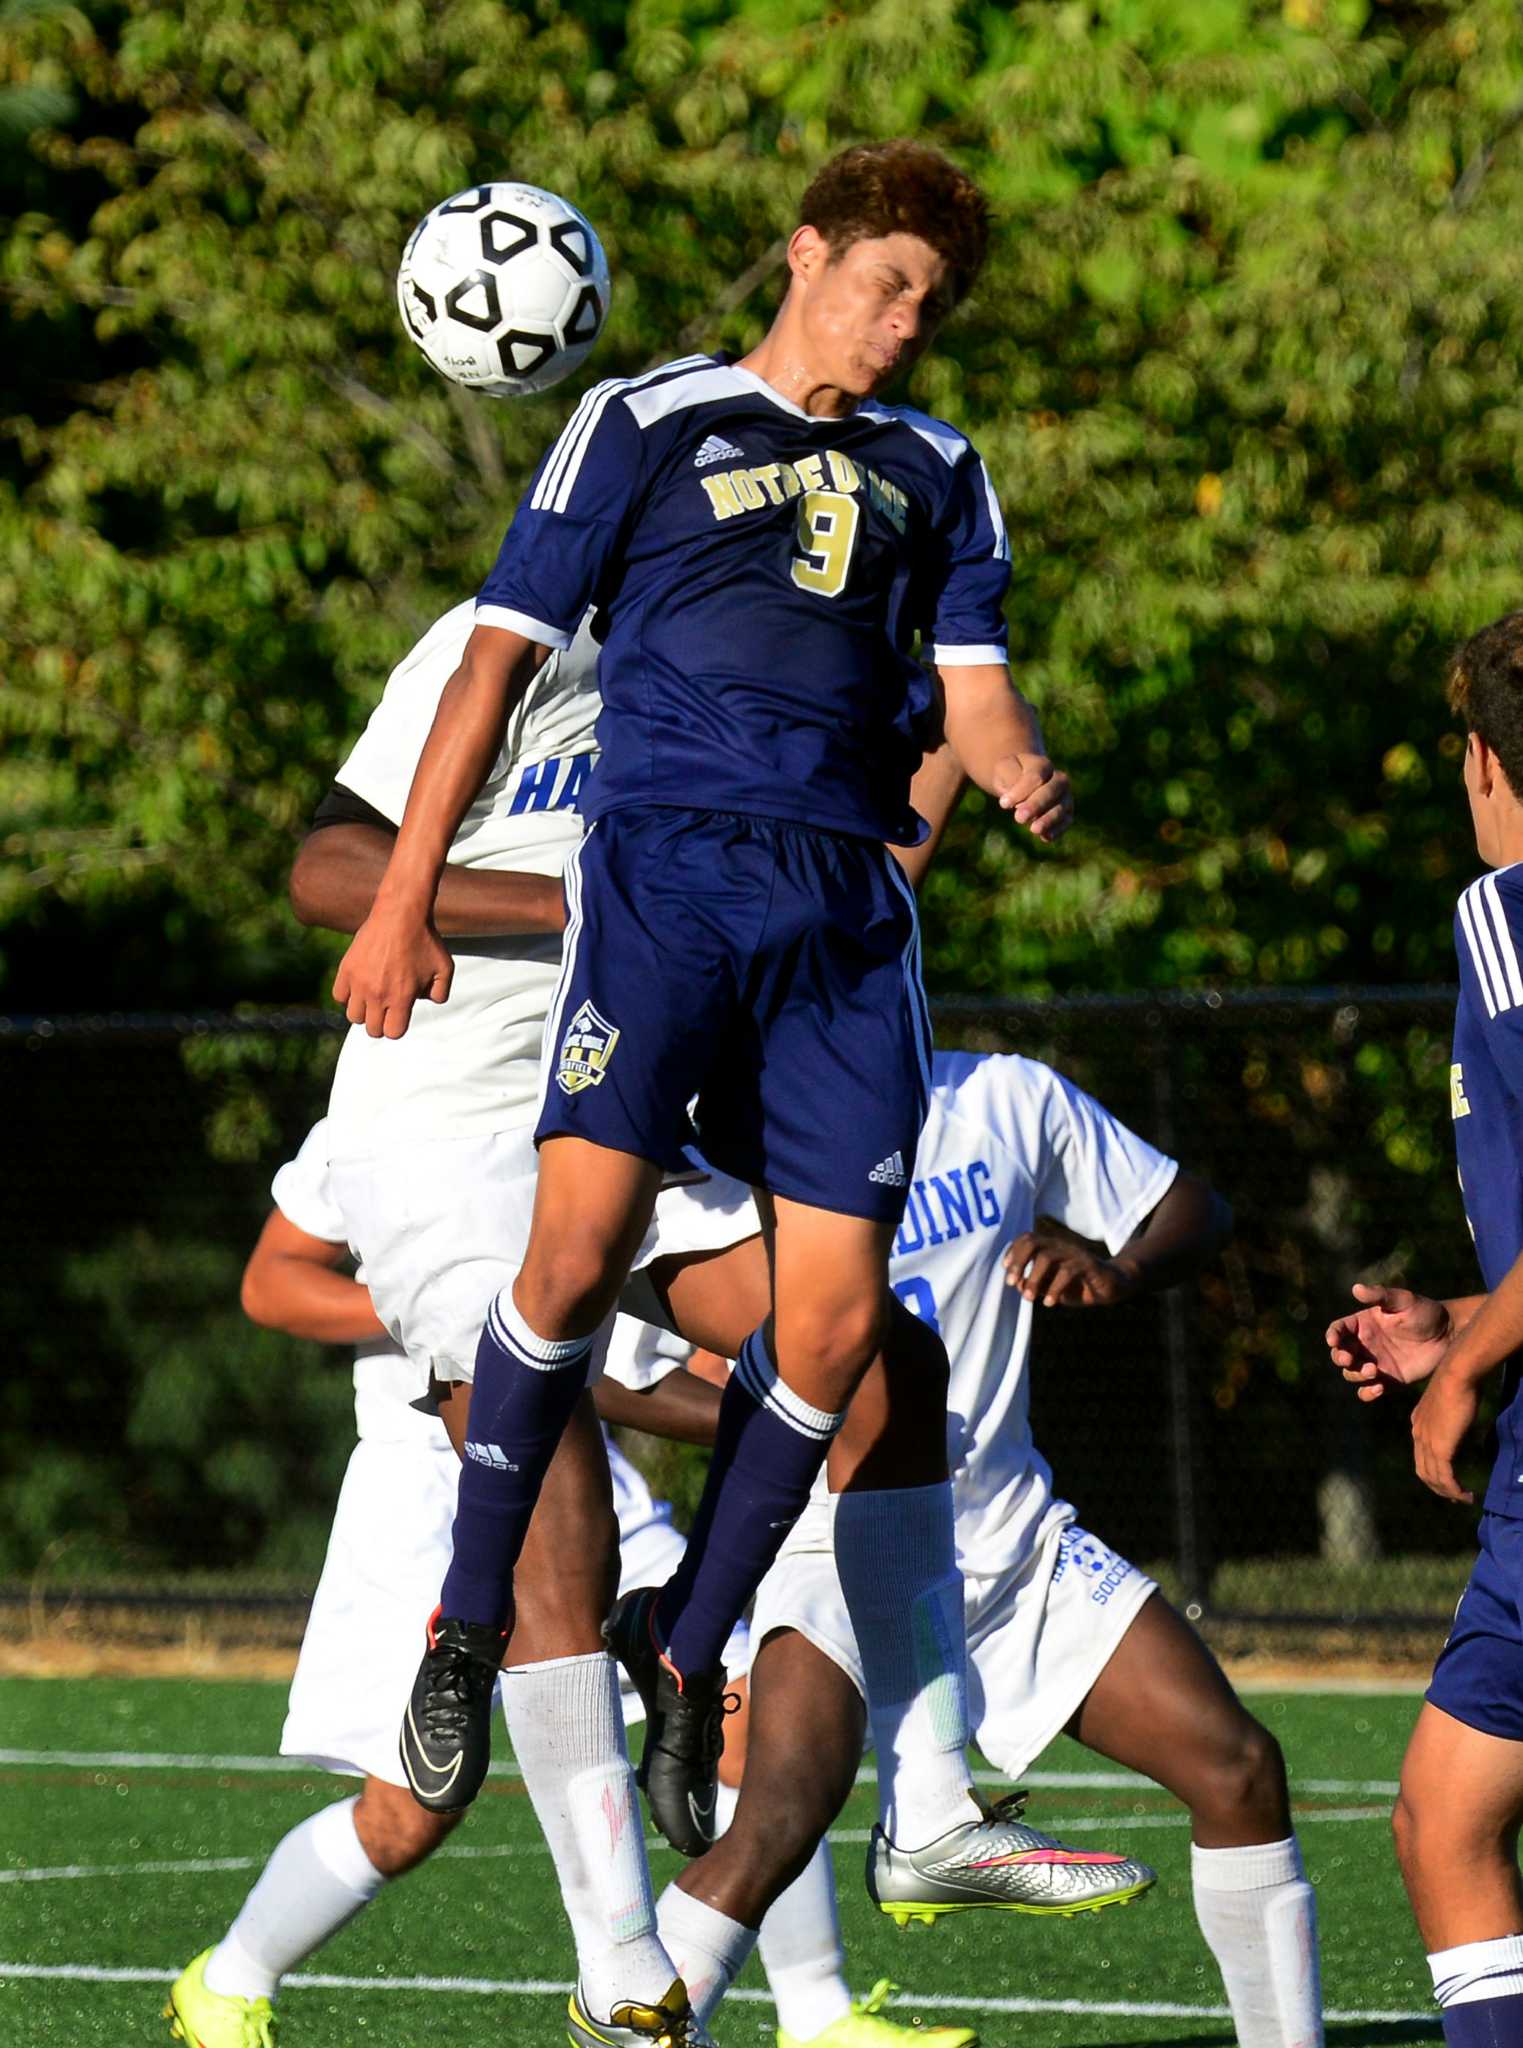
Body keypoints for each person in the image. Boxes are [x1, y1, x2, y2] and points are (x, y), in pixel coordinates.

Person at [331, 152, 1074, 1972]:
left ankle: (689, 1650)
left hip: (840, 925)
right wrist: (403, 895)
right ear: (807, 253)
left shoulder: (939, 467)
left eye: (928, 306)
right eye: (882, 282)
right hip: (661, 884)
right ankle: (453, 1626)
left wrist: (1015, 755)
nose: (901, 325)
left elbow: (969, 684)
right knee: (568, 1262)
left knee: (832, 1328)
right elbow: (492, 665)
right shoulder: (641, 418)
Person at [277, 593, 1009, 2045]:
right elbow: (325, 867)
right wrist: (578, 906)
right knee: (550, 1484)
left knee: (873, 1357)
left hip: (633, 1101)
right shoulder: (515, 641)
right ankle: (617, 1950)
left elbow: (867, 859)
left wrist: (960, 726)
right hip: (448, 1122)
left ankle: (919, 1790)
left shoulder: (763, 666)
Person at [647, 1048, 1325, 2048]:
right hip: (841, 1542)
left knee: (1236, 1767)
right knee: (775, 1819)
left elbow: (1191, 1208)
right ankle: (634, 2022)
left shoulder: (1005, 1094)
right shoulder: (747, 1126)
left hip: (1012, 1540)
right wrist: (786, 1422)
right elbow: (643, 1366)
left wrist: (1118, 1264)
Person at [165, 1119, 753, 2048]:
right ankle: (228, 1981)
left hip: (566, 1454)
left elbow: (601, 1341)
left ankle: (802, 2013)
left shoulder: (601, 1087)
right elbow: (270, 1281)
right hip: (422, 1474)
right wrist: (428, 1299)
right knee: (410, 1812)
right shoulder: (393, 1097)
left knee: (738, 1714)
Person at [1326, 609, 1523, 2046]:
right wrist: (1455, 1318)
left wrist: (1458, 1373)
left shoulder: (1504, 916)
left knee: (1442, 1828)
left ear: (1479, 762)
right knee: (1438, 1818)